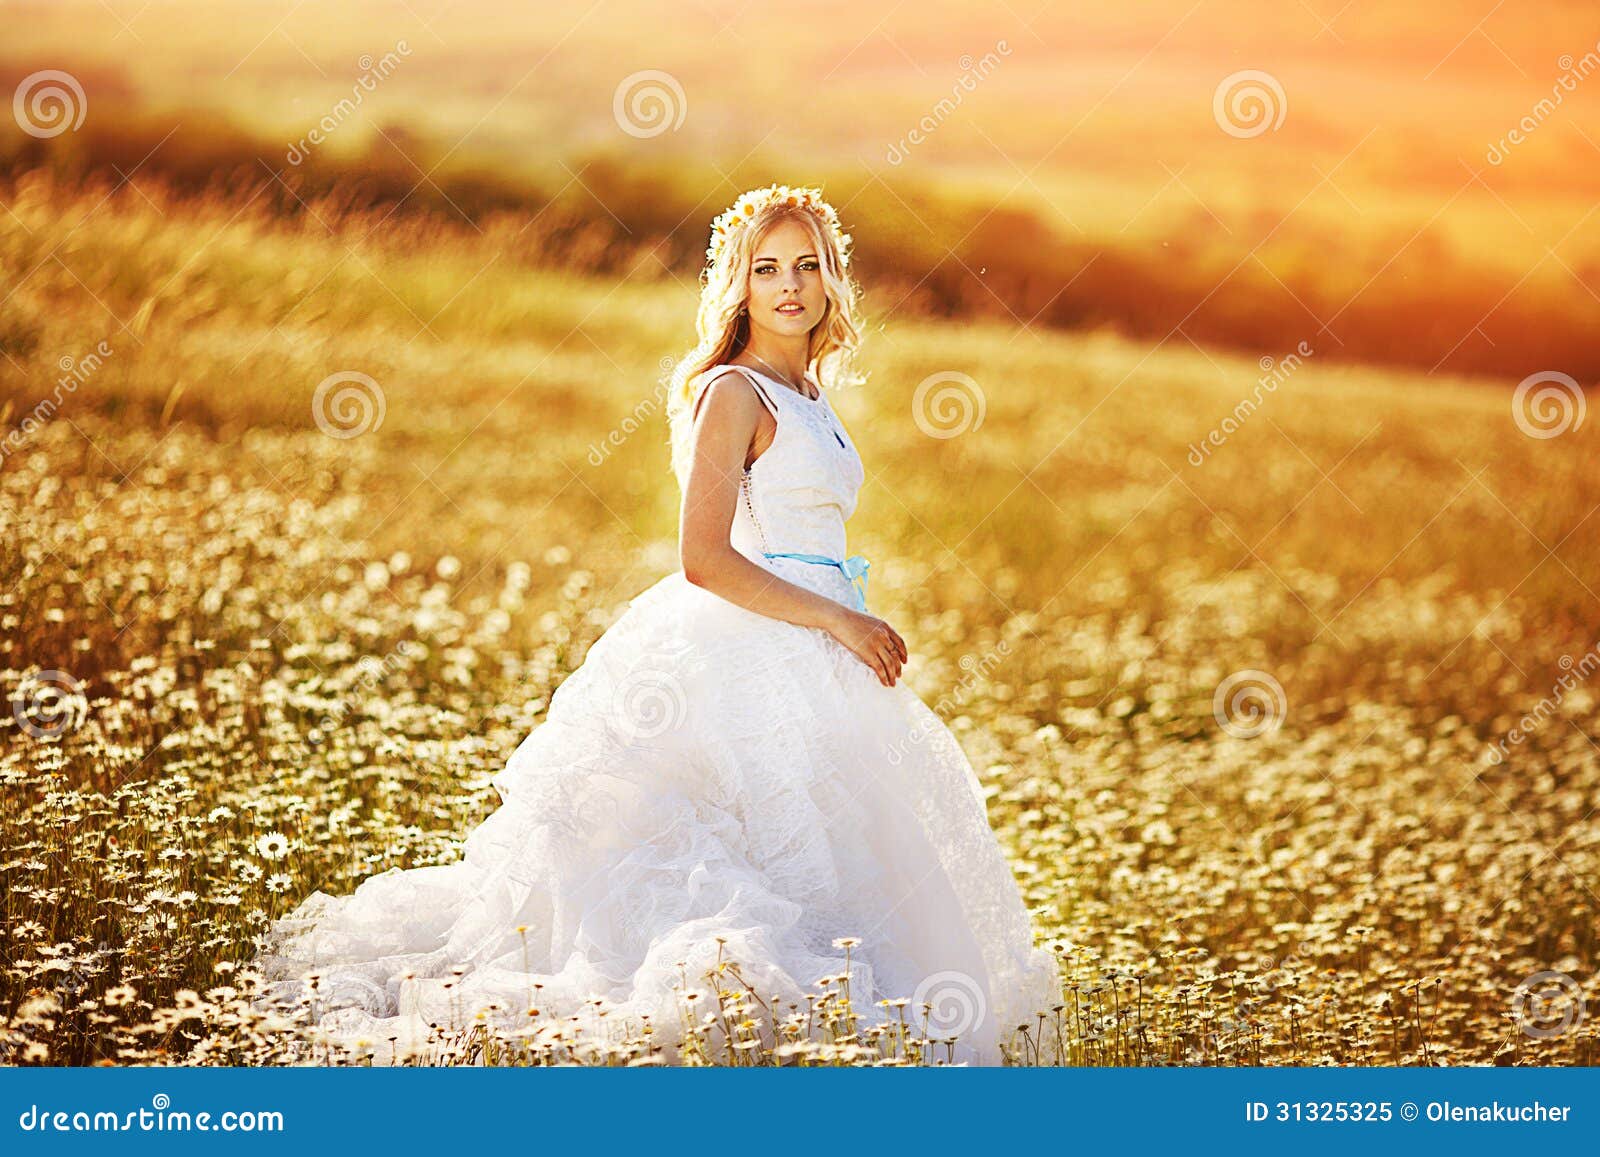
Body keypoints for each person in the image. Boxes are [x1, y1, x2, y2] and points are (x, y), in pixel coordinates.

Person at [252, 184, 1062, 1066]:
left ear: (833, 279)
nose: (788, 285)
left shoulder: (811, 392)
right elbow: (705, 558)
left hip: (823, 657)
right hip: (749, 645)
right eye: (766, 269)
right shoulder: (734, 392)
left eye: (805, 266)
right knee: (725, 864)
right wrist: (835, 616)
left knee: (861, 866)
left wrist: (843, 623)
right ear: (740, 286)